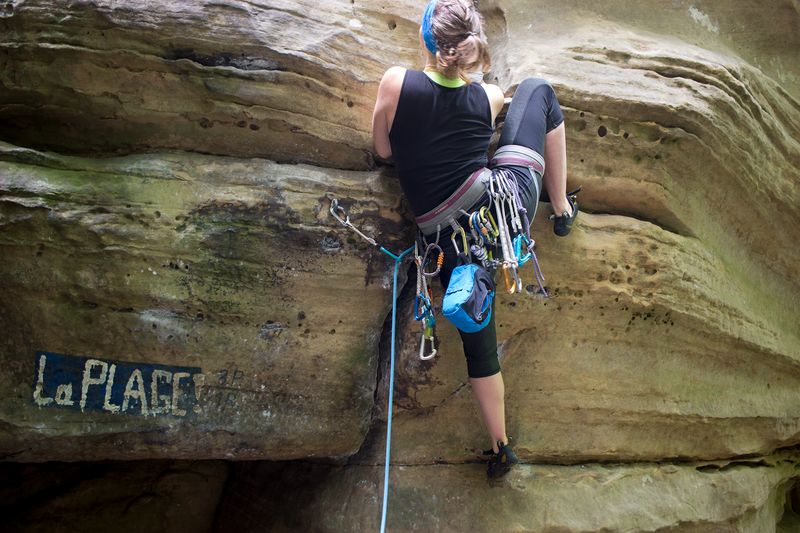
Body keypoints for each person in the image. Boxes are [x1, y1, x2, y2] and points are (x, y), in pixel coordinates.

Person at [372, 0, 576, 478]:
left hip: (445, 252)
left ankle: (502, 447)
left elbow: (383, 149)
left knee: (478, 344)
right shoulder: (488, 98)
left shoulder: (395, 83)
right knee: (538, 90)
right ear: (468, 48)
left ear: (427, 40)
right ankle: (562, 209)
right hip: (502, 213)